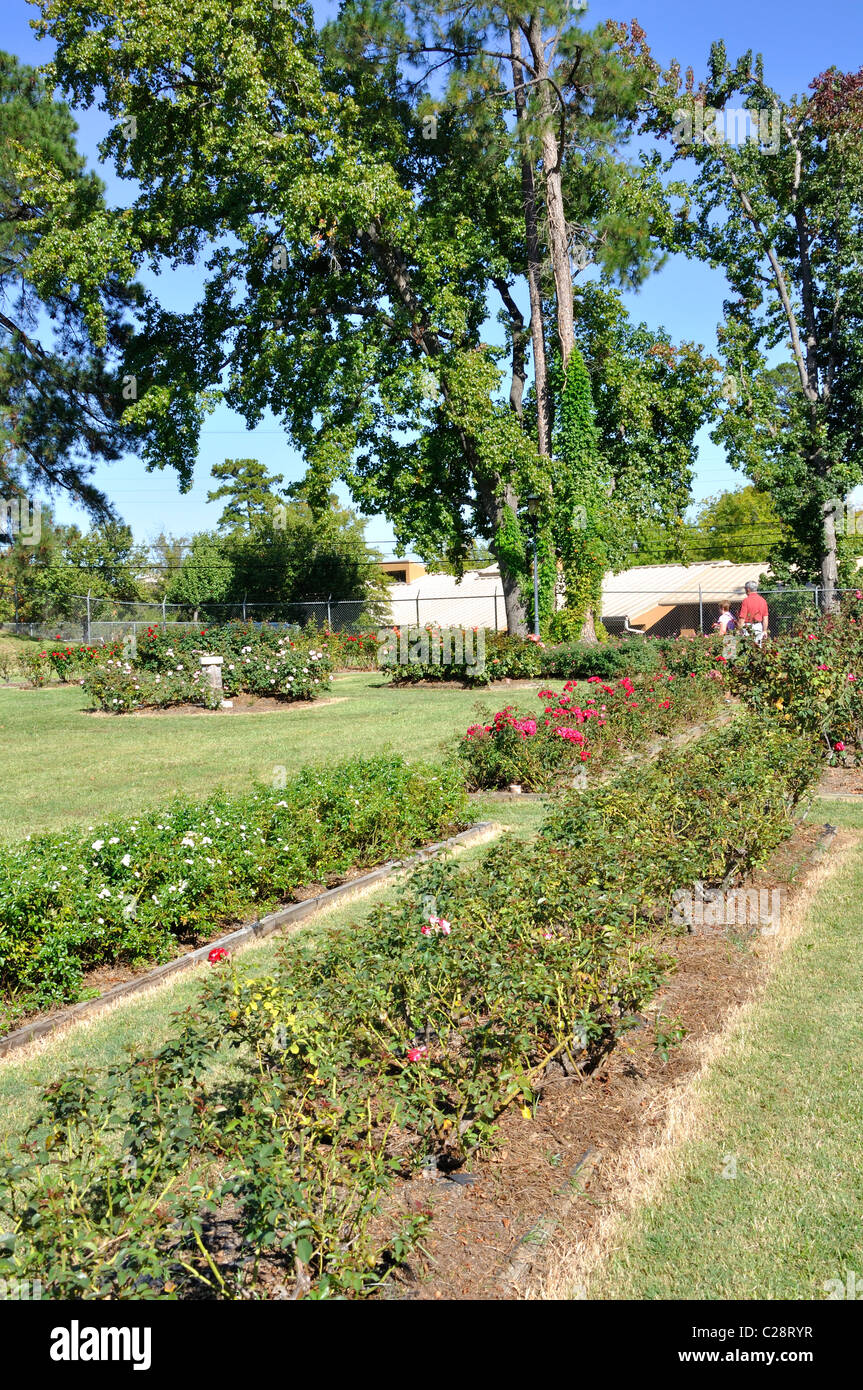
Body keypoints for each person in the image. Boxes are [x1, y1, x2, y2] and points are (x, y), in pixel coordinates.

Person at [738, 581, 769, 646]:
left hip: (747, 627)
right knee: (757, 648)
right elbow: (765, 618)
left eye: (745, 589)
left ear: (748, 589)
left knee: (746, 648)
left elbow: (742, 617)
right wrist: (765, 630)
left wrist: (739, 630)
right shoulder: (763, 600)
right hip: (758, 627)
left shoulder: (746, 600)